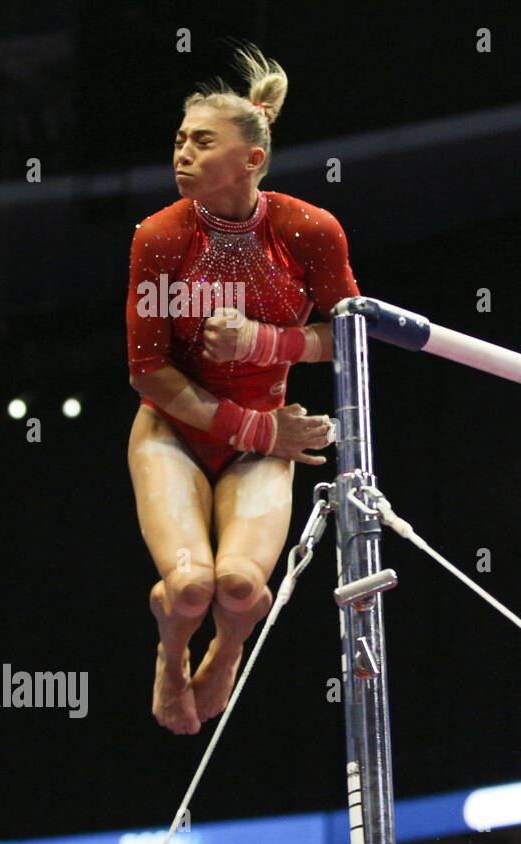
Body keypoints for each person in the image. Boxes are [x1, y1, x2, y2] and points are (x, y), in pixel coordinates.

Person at [126, 43, 358, 734]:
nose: (183, 153)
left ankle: (228, 650)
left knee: (239, 587)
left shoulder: (309, 230)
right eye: (179, 140)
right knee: (192, 585)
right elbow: (147, 371)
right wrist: (261, 430)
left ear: (251, 160)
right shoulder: (159, 238)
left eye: (202, 142)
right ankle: (171, 658)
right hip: (175, 430)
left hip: (263, 436)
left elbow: (349, 332)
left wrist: (267, 343)